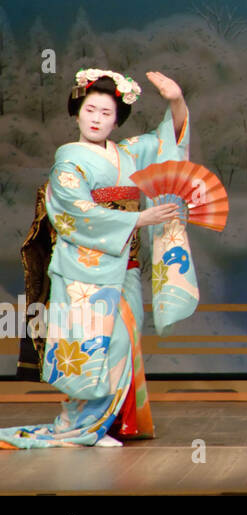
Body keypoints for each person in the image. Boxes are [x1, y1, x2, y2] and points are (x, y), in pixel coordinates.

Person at [0, 69, 192, 449]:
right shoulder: (68, 160)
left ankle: (106, 425)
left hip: (125, 268)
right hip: (81, 271)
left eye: (106, 113)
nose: (97, 118)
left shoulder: (128, 154)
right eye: (90, 109)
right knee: (88, 349)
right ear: (77, 113)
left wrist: (176, 101)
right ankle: (80, 427)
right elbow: (75, 211)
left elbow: (166, 145)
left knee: (122, 346)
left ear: (117, 119)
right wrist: (138, 218)